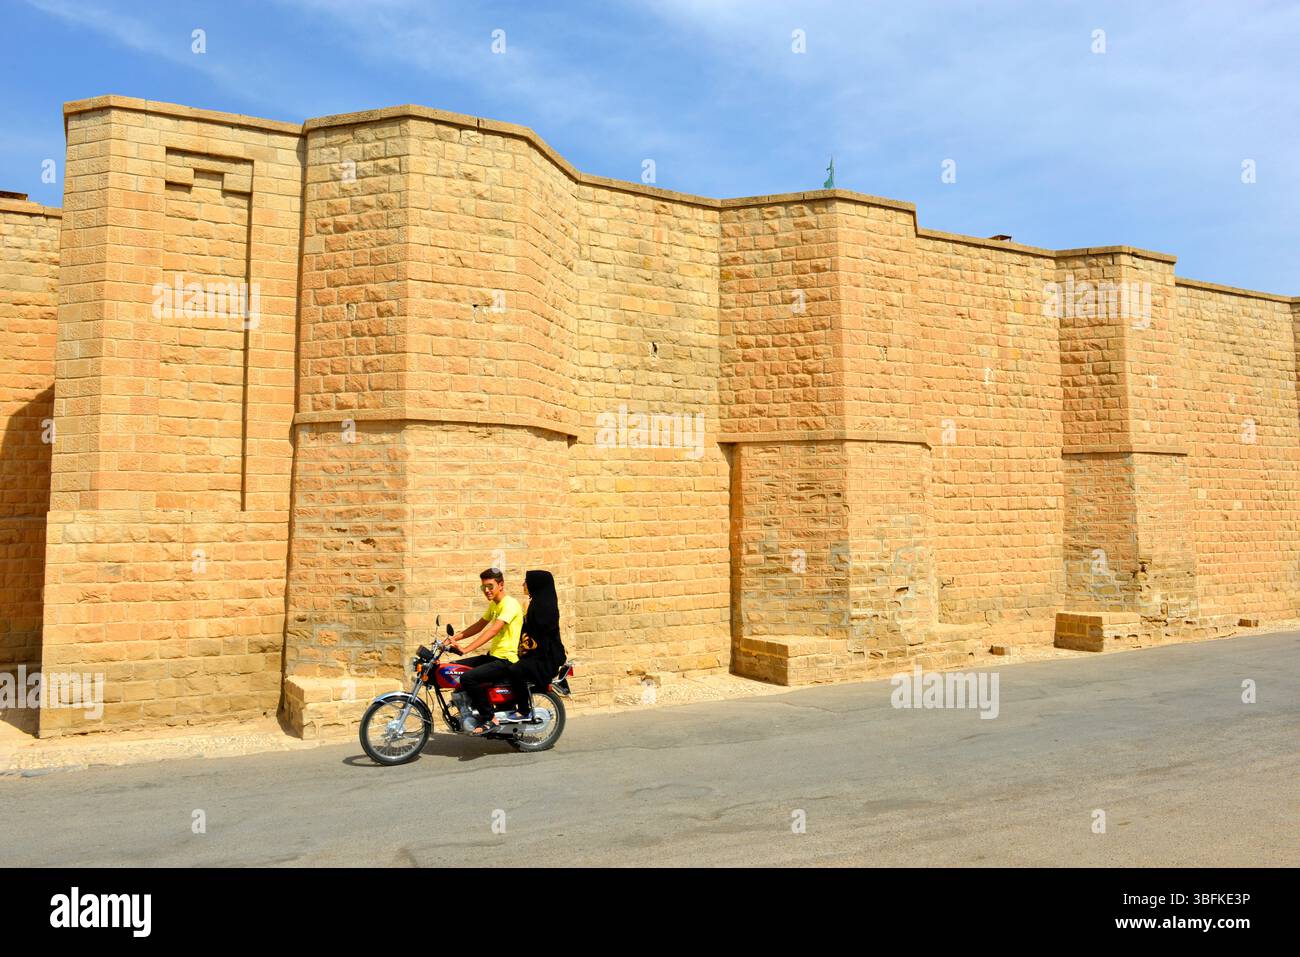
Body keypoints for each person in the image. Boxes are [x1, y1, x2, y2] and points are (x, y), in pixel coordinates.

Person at [447, 567, 523, 734]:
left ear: (501, 585)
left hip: (506, 660)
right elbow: (479, 626)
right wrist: (452, 639)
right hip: (493, 657)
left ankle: (490, 718)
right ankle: (468, 710)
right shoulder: (495, 605)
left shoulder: (509, 604)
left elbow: (492, 631)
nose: (486, 590)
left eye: (490, 586)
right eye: (484, 587)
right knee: (453, 668)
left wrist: (466, 649)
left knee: (468, 678)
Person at [505, 569, 568, 722]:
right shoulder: (536, 603)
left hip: (546, 659)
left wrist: (526, 614)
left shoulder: (545, 607)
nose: (523, 585)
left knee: (515, 670)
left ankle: (524, 710)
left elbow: (539, 635)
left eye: (526, 582)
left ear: (536, 584)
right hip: (537, 655)